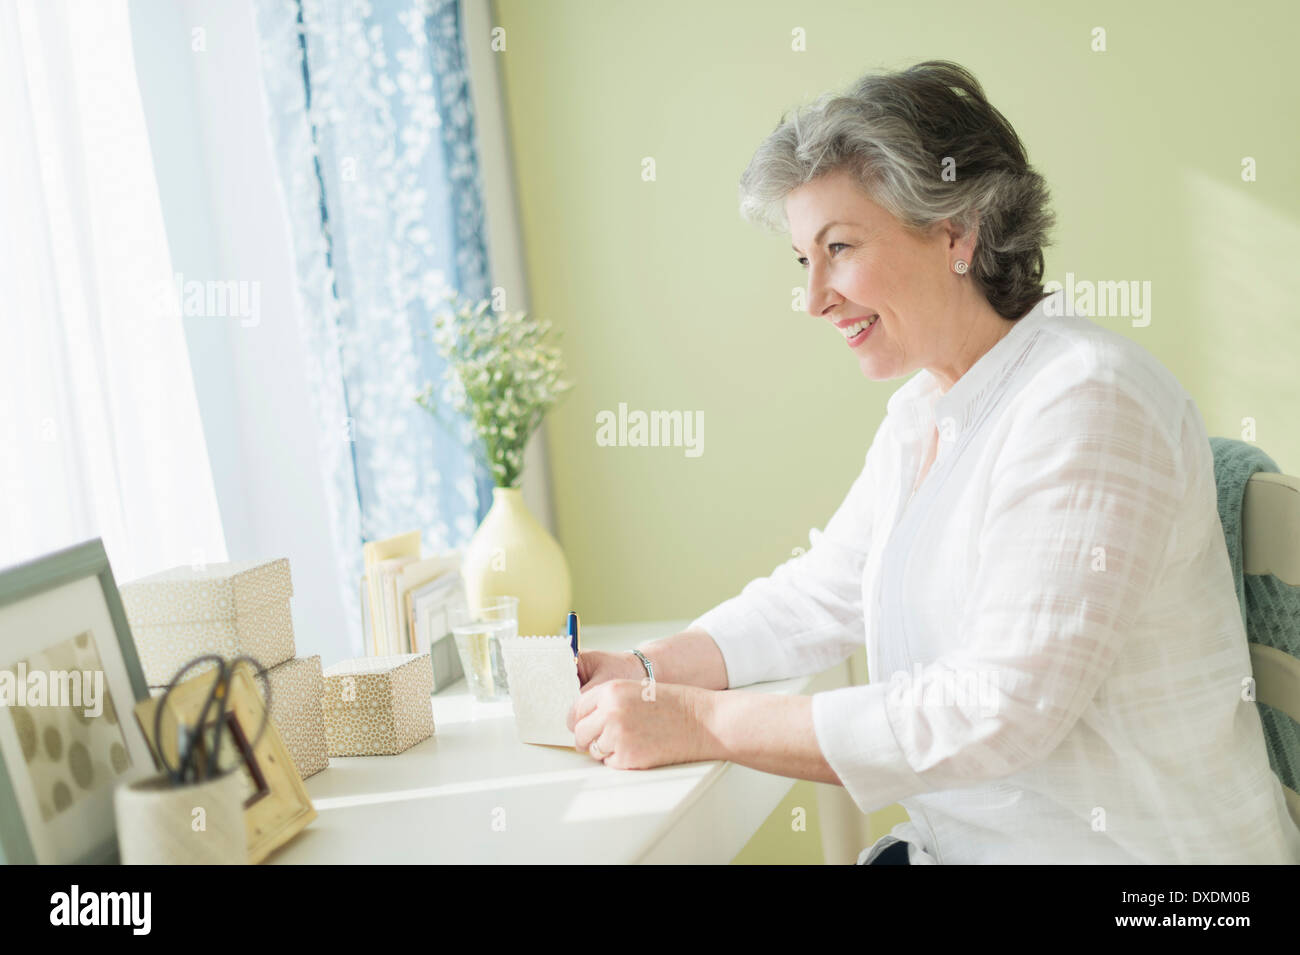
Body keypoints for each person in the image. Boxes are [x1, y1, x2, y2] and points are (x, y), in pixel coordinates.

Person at [566, 60, 1300, 864]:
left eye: (839, 248)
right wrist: (649, 665)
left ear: (956, 230)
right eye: (803, 260)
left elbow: (998, 709)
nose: (814, 298)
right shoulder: (929, 409)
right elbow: (826, 587)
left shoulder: (1088, 400)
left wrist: (702, 722)